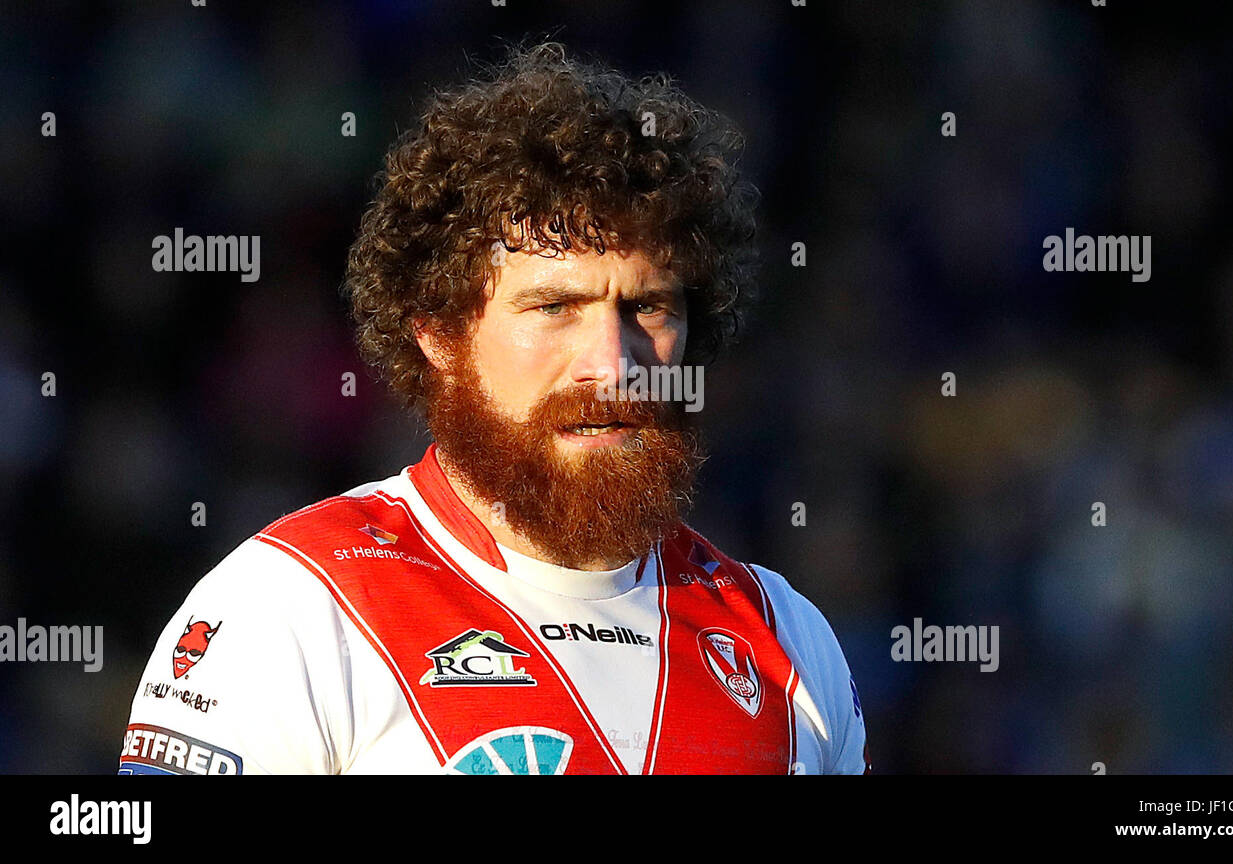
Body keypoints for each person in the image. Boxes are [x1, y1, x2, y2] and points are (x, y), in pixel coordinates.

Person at [118, 41, 868, 775]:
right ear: (440, 334)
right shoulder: (294, 606)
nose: (611, 363)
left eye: (647, 307)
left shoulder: (788, 637)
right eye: (553, 307)